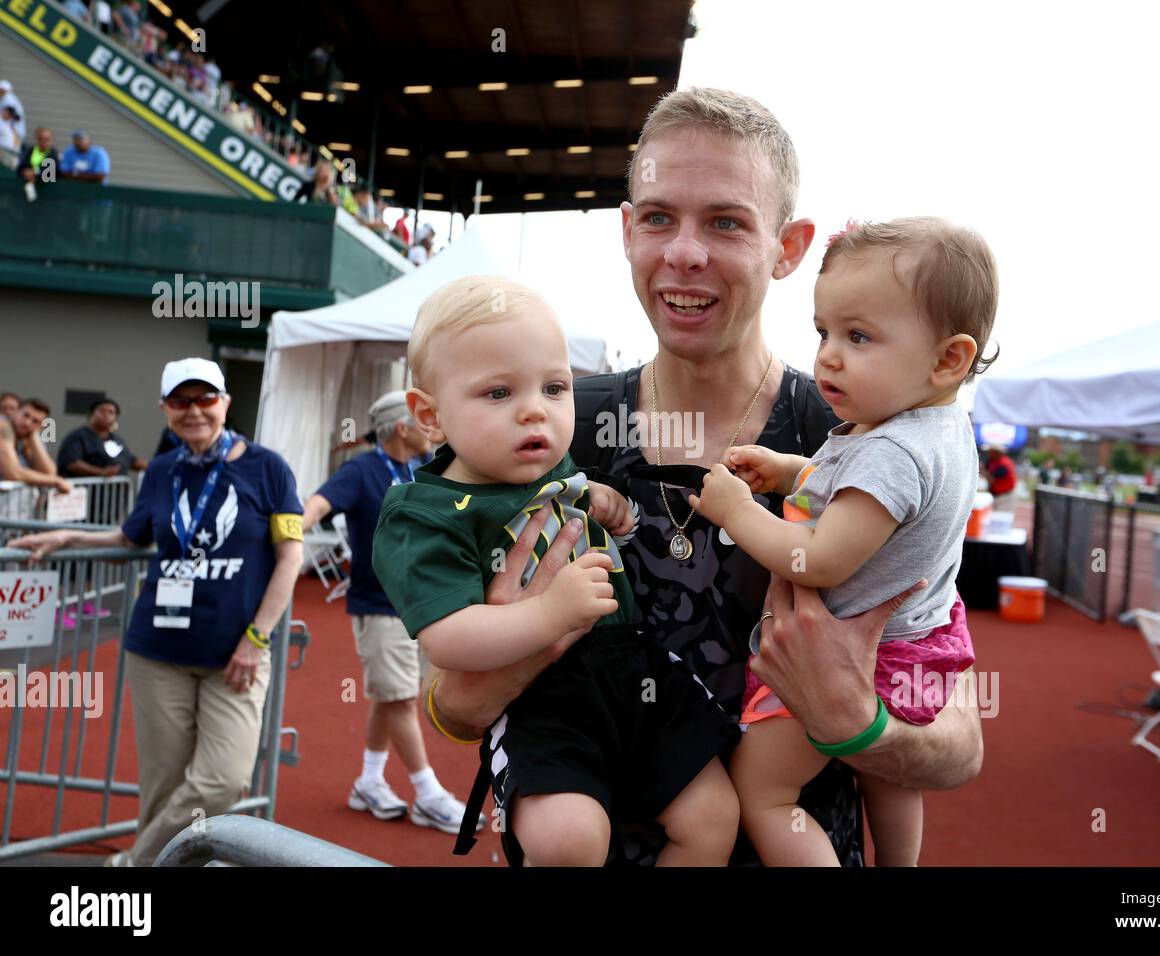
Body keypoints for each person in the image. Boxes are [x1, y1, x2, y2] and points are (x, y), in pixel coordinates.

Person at [423, 88, 985, 867]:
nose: (684, 252)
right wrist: (527, 639)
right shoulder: (547, 430)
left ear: (788, 247)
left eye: (725, 221)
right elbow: (449, 707)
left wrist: (856, 722)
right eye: (658, 217)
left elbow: (959, 745)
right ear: (627, 232)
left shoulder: (865, 441)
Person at [372, 278, 741, 866]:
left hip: (636, 673)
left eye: (555, 386)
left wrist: (602, 501)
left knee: (714, 817)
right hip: (546, 698)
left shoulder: (555, 468)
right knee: (567, 841)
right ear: (430, 415)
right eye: (498, 392)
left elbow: (565, 496)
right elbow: (445, 637)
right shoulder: (425, 515)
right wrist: (546, 615)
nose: (534, 409)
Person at [691, 217, 994, 866]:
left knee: (764, 792)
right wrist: (792, 470)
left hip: (854, 662)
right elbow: (871, 503)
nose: (829, 354)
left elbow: (820, 558)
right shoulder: (934, 428)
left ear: (948, 358)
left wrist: (739, 509)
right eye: (825, 331)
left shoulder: (888, 448)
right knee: (889, 776)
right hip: (920, 651)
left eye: (859, 336)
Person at [10, 358, 305, 866]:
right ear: (166, 409)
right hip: (158, 652)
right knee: (164, 784)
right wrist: (68, 535)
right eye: (181, 401)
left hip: (235, 653)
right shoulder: (163, 469)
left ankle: (132, 866)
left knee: (224, 778)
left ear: (225, 404)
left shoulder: (268, 467)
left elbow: (290, 557)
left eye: (205, 399)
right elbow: (130, 536)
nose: (194, 411)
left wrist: (256, 639)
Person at [300, 391, 484, 834]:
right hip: (380, 605)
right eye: (423, 419)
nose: (433, 425)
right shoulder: (361, 468)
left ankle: (367, 781)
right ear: (401, 428)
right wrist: (286, 536)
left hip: (418, 605)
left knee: (392, 694)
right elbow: (318, 505)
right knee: (401, 698)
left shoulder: (419, 467)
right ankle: (429, 795)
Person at [56, 398, 148, 477]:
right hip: (85, 493)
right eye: (102, 411)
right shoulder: (78, 436)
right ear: (91, 414)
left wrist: (155, 466)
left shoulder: (116, 440)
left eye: (111, 412)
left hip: (115, 495)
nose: (106, 415)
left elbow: (131, 461)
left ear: (116, 418)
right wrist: (102, 472)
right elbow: (72, 464)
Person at [0, 397, 71, 494]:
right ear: (16, 411)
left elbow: (48, 472)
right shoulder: (4, 427)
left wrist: (34, 435)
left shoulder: (26, 435)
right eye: (26, 415)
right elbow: (13, 473)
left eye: (35, 421)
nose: (27, 423)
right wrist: (56, 481)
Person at [982, 444, 1017, 512]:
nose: (989, 454)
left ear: (998, 453)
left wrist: (984, 473)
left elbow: (992, 480)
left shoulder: (1004, 464)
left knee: (999, 515)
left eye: (991, 452)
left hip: (1004, 495)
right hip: (995, 493)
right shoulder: (991, 461)